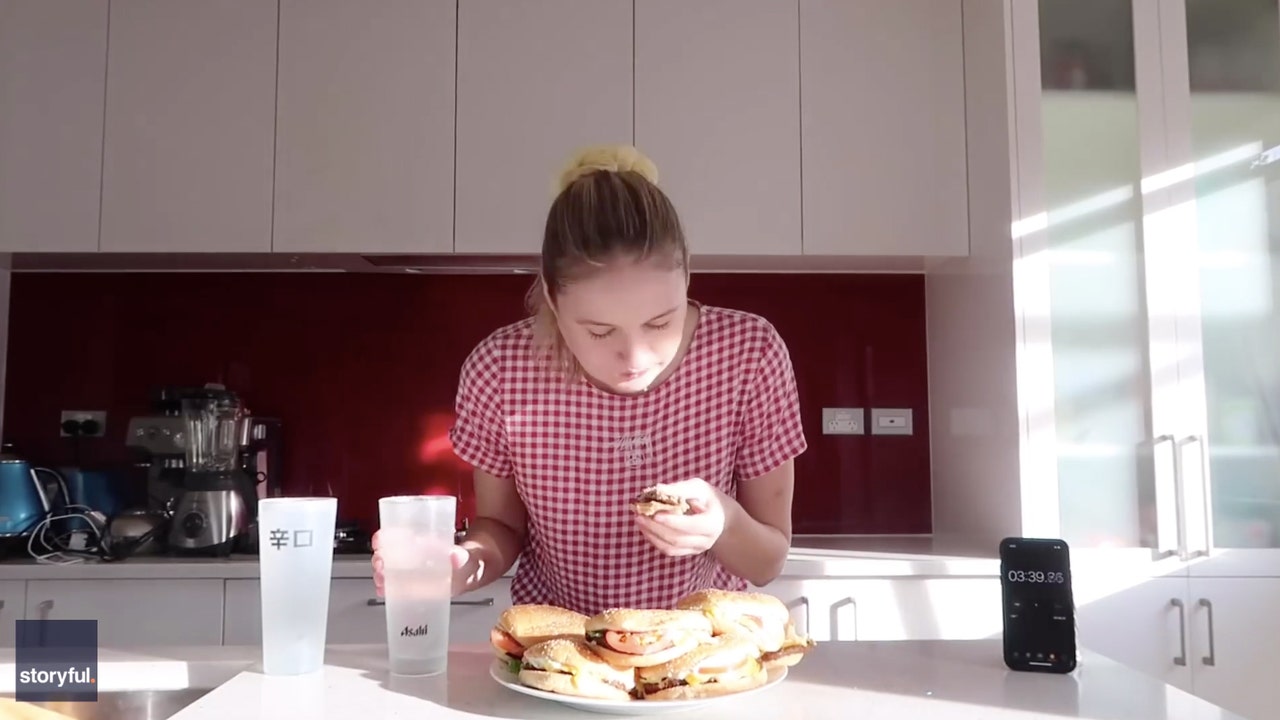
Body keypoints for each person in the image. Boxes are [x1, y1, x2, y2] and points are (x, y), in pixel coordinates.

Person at [372, 145, 807, 615]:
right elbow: (500, 527)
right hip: (560, 654)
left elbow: (768, 560)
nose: (634, 356)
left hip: (700, 656)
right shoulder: (499, 368)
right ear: (554, 303)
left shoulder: (749, 352)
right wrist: (463, 563)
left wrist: (724, 523)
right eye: (599, 331)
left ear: (686, 278)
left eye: (661, 322)